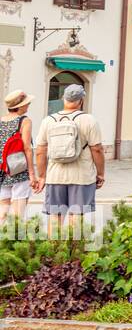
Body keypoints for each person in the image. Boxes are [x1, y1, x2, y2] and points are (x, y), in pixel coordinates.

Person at [33, 84, 105, 231]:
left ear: (62, 98)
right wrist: (100, 173)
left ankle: (53, 251)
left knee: (55, 216)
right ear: (81, 100)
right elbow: (97, 149)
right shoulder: (89, 120)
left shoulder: (48, 120)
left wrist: (42, 176)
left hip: (55, 176)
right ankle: (73, 251)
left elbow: (40, 151)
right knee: (76, 215)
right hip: (82, 176)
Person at [0, 89, 35, 227]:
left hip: (3, 170)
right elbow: (27, 147)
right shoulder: (24, 121)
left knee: (3, 208)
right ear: (19, 106)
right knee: (18, 210)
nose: (28, 105)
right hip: (19, 169)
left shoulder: (1, 120)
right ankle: (14, 241)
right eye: (27, 103)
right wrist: (32, 173)